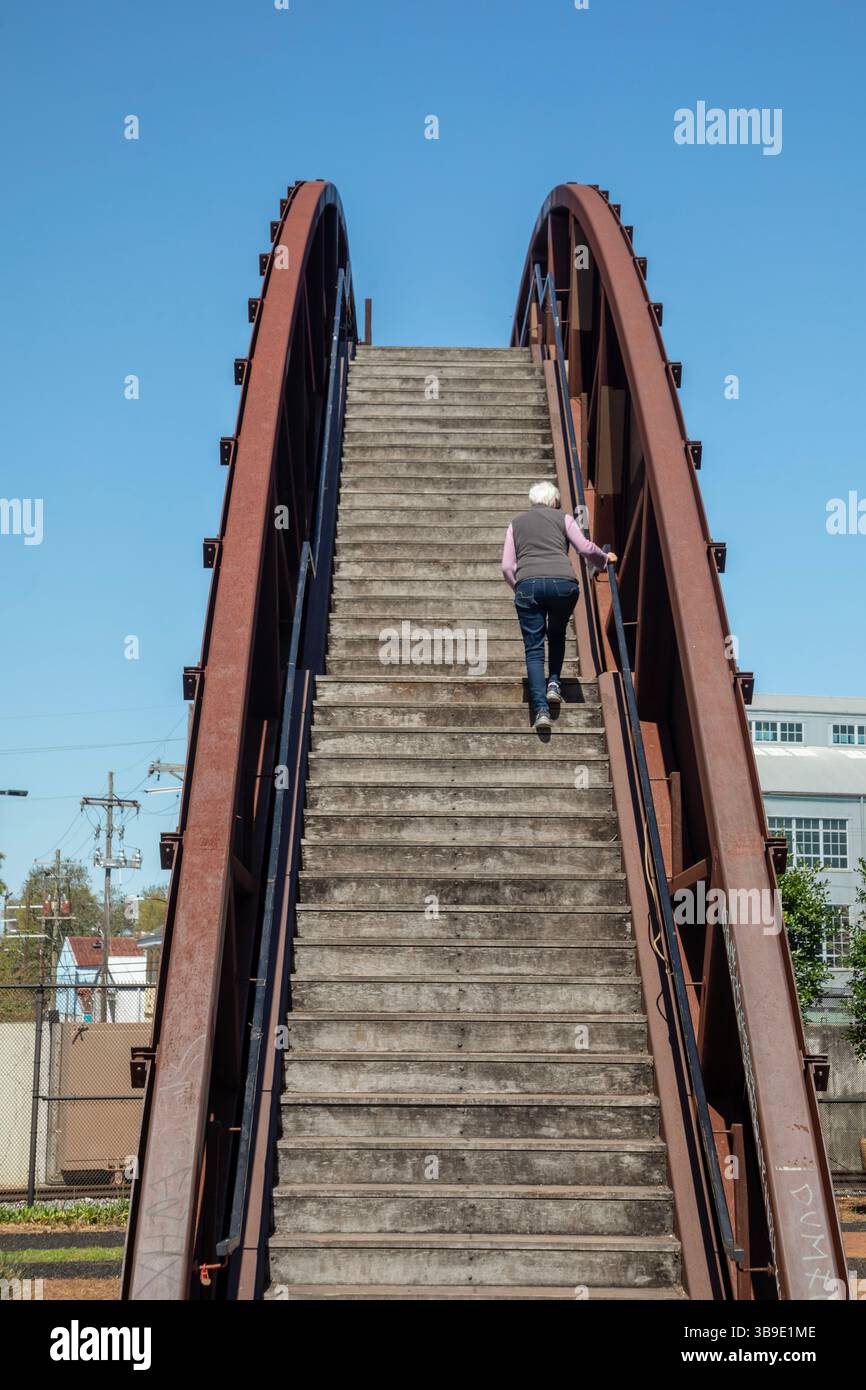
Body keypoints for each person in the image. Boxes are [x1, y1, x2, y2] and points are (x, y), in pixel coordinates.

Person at [501, 480, 618, 731]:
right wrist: (603, 560)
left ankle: (541, 711)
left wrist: (519, 587)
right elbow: (584, 547)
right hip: (563, 585)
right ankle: (554, 682)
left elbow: (507, 566)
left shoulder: (515, 524)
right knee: (557, 633)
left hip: (528, 585)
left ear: (533, 501)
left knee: (533, 649)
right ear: (554, 501)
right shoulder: (564, 519)